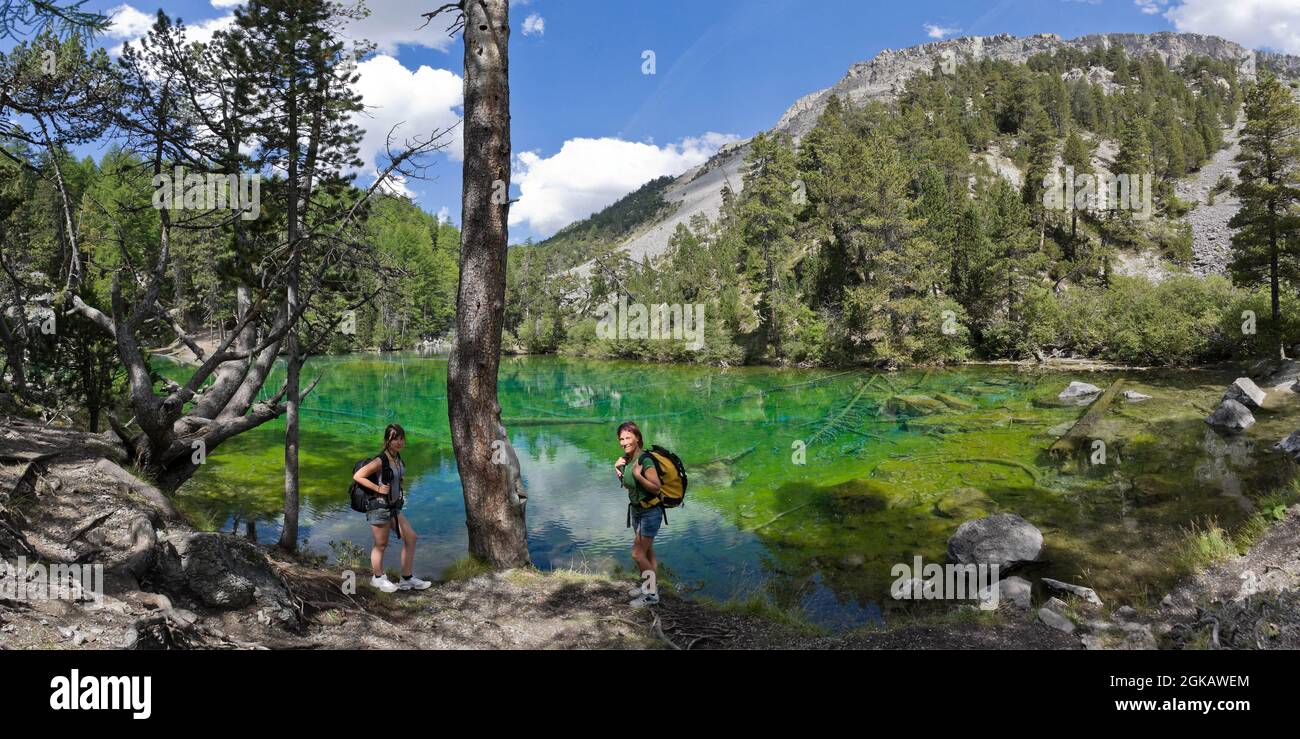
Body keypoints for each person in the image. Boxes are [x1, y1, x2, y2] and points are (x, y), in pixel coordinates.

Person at [352, 424, 431, 593]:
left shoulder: (397, 458)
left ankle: (406, 579)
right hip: (379, 507)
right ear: (387, 440)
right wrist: (377, 488)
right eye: (395, 438)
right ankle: (378, 578)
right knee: (381, 544)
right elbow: (358, 476)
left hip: (393, 508)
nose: (399, 442)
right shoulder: (381, 459)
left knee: (411, 537)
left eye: (401, 438)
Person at [614, 421, 662, 607]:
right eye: (621, 438)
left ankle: (651, 594)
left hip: (650, 512)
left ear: (638, 438)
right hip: (636, 511)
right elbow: (628, 485)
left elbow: (656, 488)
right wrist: (617, 470)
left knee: (637, 554)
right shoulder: (627, 460)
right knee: (648, 553)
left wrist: (639, 475)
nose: (624, 442)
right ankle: (648, 586)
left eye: (628, 437)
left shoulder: (645, 460)